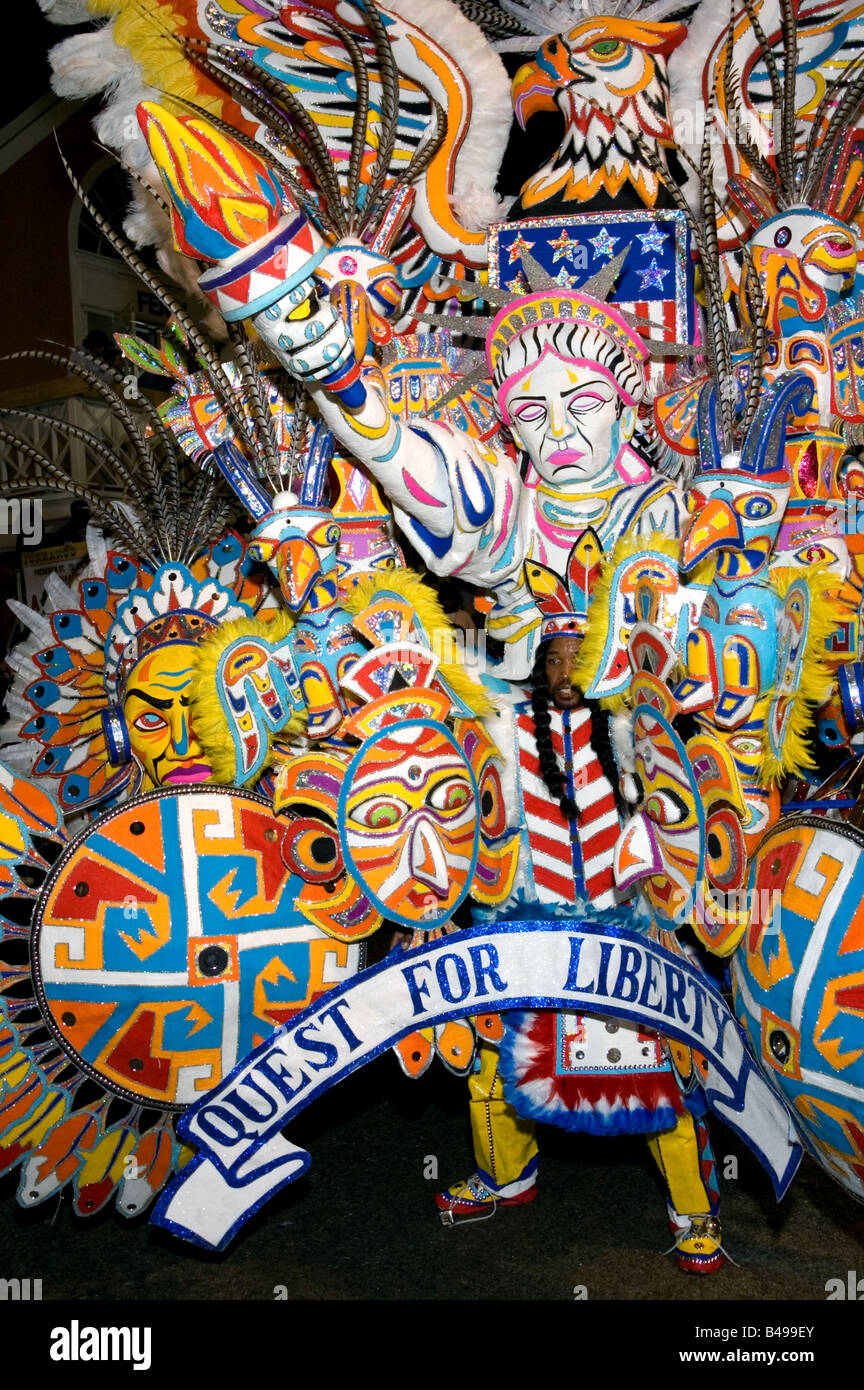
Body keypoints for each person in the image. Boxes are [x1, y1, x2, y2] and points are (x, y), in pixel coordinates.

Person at [435, 631, 726, 1274]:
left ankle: (693, 1206)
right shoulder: (503, 729)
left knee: (657, 1076)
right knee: (495, 1066)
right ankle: (503, 1175)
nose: (567, 670)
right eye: (554, 657)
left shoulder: (631, 728)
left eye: (578, 656)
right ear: (537, 665)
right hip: (527, 931)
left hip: (618, 932)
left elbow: (674, 823)